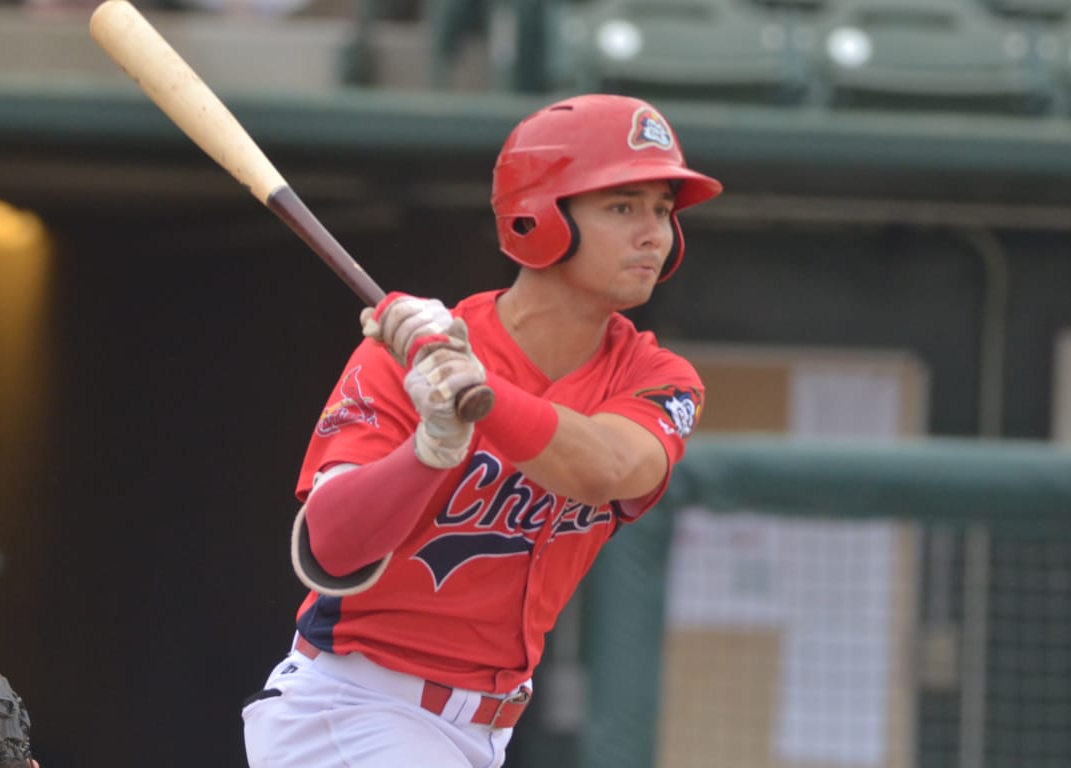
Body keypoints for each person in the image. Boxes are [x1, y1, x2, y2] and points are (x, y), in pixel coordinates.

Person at [242, 93, 721, 767]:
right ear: (538, 216)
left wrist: (482, 396)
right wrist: (430, 448)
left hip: (480, 734)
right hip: (351, 708)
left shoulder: (656, 374)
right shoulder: (403, 358)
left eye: (663, 209)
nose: (654, 232)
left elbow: (610, 468)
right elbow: (331, 548)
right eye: (623, 207)